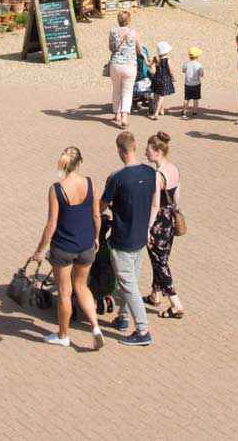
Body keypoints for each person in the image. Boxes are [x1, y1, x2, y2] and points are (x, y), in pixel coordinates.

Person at [30, 145, 103, 349]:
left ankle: (63, 335)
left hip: (63, 246)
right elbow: (96, 216)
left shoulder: (57, 189)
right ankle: (95, 326)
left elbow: (51, 224)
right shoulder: (90, 183)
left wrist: (39, 250)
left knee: (64, 291)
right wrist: (96, 237)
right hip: (86, 244)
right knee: (82, 286)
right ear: (80, 163)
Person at [100, 131, 159, 346]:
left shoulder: (118, 177)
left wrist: (98, 214)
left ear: (120, 151)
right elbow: (154, 203)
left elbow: (102, 205)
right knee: (129, 281)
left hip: (122, 238)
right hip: (140, 237)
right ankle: (123, 318)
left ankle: (142, 331)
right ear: (134, 147)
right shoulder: (151, 173)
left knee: (128, 284)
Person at [142, 131, 185, 319]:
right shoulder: (174, 168)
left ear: (158, 152)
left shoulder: (157, 176)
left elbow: (155, 204)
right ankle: (155, 293)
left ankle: (175, 303)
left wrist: (148, 227)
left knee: (160, 261)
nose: (146, 153)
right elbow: (177, 196)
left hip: (159, 219)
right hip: (171, 217)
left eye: (148, 150)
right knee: (161, 256)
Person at [107, 10, 140, 128]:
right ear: (128, 20)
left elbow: (111, 47)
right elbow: (139, 50)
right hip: (130, 64)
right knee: (127, 92)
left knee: (116, 90)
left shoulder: (113, 32)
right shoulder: (134, 33)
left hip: (115, 64)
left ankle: (117, 115)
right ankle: (124, 117)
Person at [148, 41, 176, 119]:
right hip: (164, 79)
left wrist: (144, 56)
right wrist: (173, 77)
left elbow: (148, 64)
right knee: (161, 96)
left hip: (156, 78)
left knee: (156, 95)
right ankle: (156, 113)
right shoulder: (168, 60)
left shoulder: (155, 58)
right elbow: (170, 71)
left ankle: (160, 110)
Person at [181, 46, 205, 120]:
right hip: (196, 84)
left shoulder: (186, 64)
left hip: (187, 84)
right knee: (196, 98)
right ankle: (195, 111)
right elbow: (201, 74)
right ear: (197, 56)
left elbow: (184, 70)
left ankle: (184, 111)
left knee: (186, 98)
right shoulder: (198, 65)